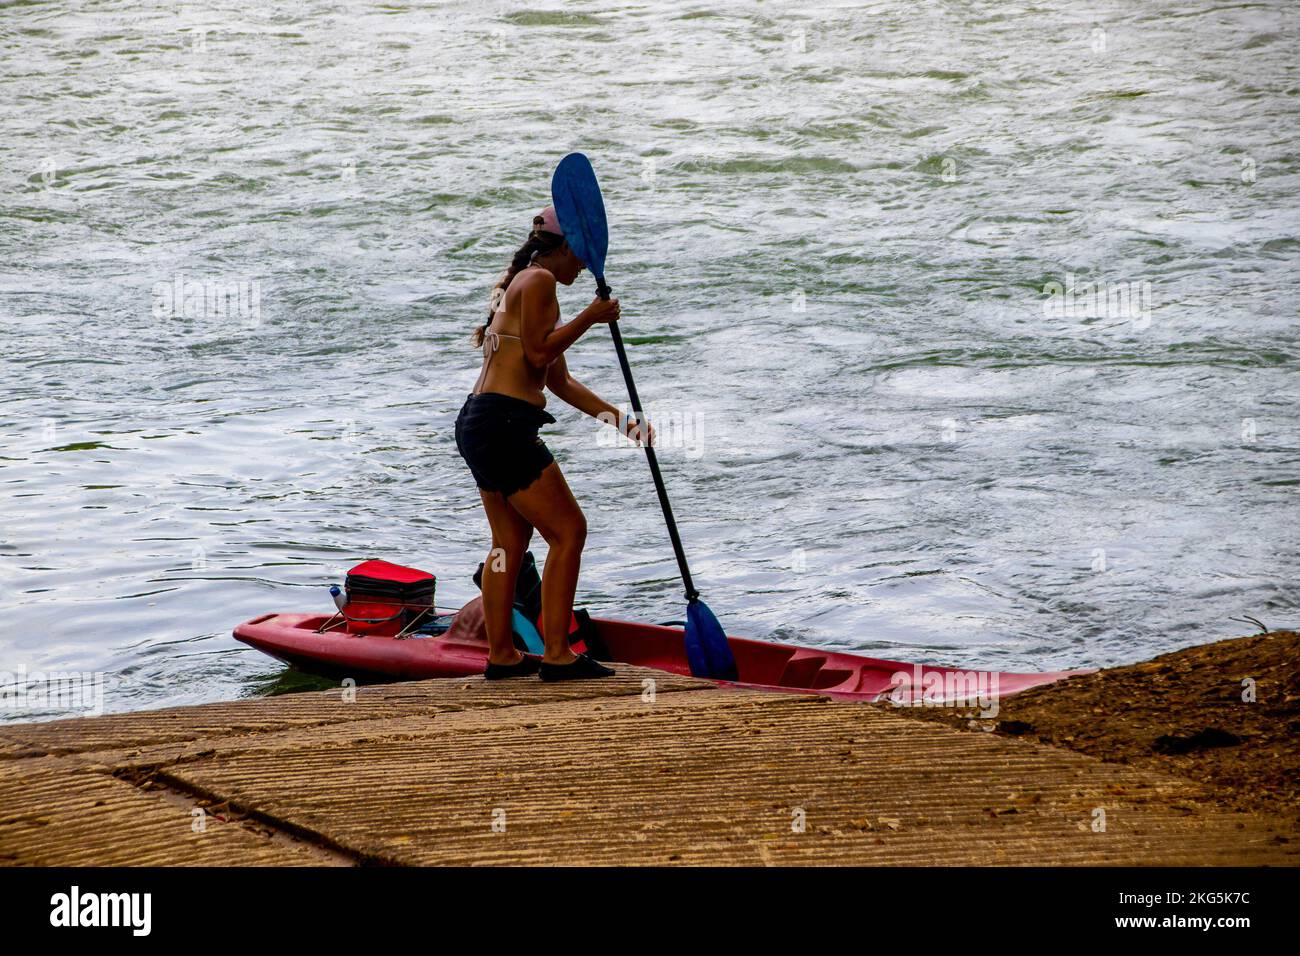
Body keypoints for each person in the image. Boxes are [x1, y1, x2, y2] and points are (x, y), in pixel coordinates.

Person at [455, 205, 652, 681]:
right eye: (580, 256)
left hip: (478, 423)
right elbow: (544, 350)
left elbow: (555, 378)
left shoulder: (520, 280)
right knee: (569, 532)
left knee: (508, 542)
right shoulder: (539, 282)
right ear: (562, 247)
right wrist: (593, 315)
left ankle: (502, 656)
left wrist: (621, 422)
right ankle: (558, 655)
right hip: (503, 426)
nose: (584, 267)